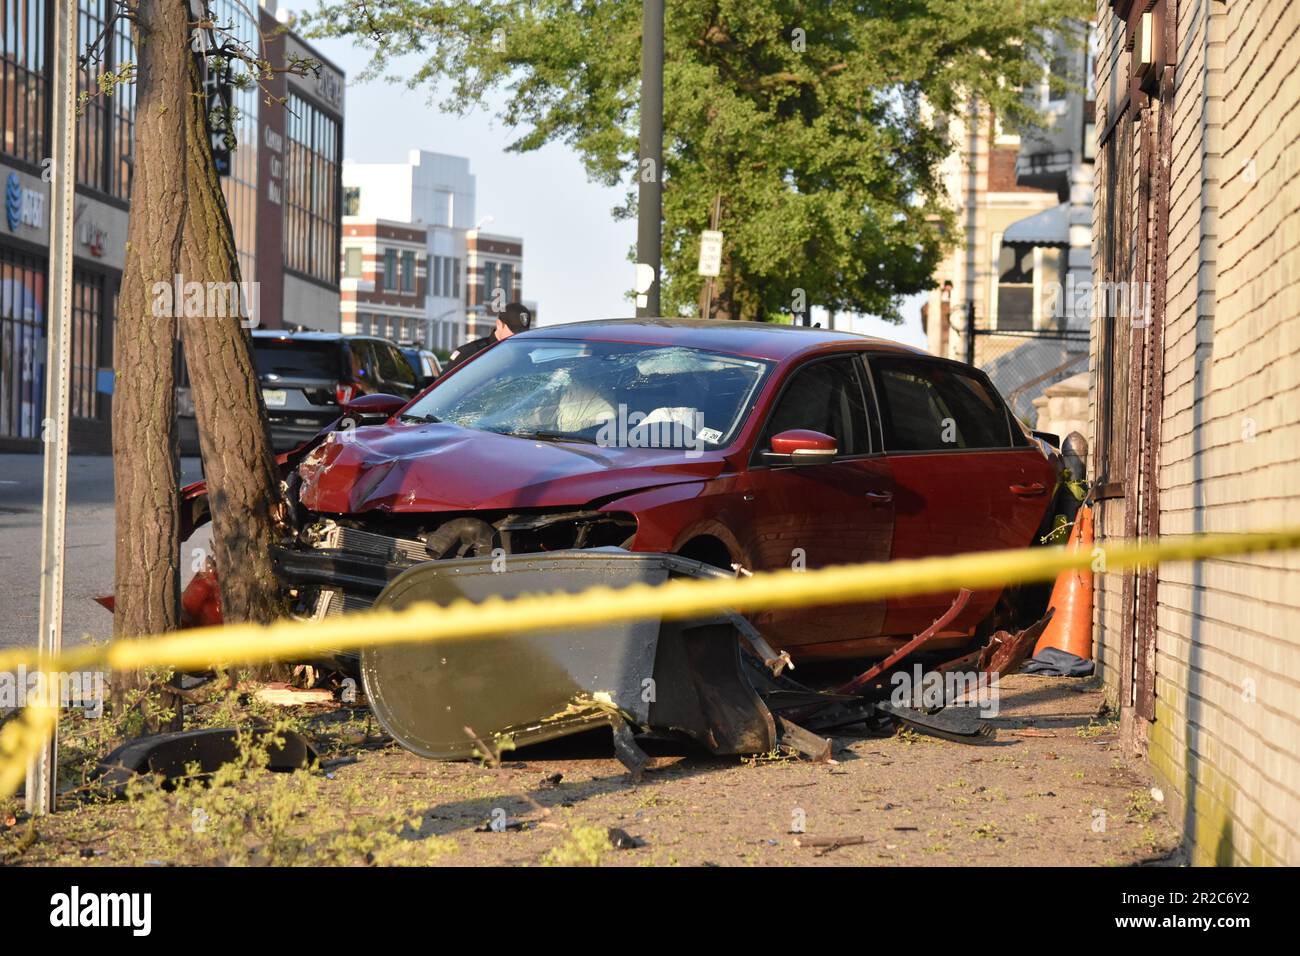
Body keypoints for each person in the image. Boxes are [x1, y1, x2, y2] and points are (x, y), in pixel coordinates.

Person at [445, 302, 531, 370]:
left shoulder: (525, 359)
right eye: (514, 332)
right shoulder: (470, 354)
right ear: (499, 325)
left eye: (522, 333)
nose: (519, 336)